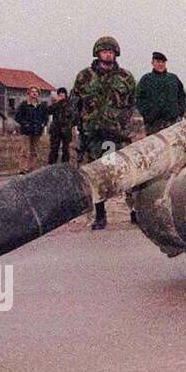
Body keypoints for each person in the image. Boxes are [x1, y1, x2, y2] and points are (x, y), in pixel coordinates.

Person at [71, 36, 137, 230]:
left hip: (117, 135)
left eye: (111, 51)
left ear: (115, 54)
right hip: (93, 136)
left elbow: (131, 103)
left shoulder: (125, 77)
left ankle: (135, 211)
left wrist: (122, 123)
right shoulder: (84, 76)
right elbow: (75, 103)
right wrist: (79, 126)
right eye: (104, 51)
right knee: (96, 176)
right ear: (97, 53)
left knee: (126, 173)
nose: (108, 54)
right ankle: (100, 215)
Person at [135, 51, 186, 134]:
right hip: (153, 124)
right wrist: (147, 114)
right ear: (152, 63)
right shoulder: (146, 79)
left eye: (163, 62)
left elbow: (181, 96)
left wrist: (180, 112)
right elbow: (139, 99)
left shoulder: (173, 78)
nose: (161, 64)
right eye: (158, 62)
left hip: (172, 122)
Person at [13, 86, 49, 173]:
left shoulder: (42, 106)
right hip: (26, 131)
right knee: (25, 150)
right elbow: (17, 117)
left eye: (36, 92)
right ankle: (22, 169)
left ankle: (31, 169)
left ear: (38, 94)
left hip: (37, 131)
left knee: (35, 151)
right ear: (28, 93)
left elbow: (46, 117)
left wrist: (43, 124)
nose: (34, 93)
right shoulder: (24, 105)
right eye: (32, 92)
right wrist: (25, 124)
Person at [47, 87, 76, 164]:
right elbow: (48, 111)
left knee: (66, 149)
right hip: (55, 130)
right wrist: (55, 102)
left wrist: (70, 126)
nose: (61, 95)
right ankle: (51, 165)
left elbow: (74, 117)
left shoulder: (70, 104)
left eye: (62, 93)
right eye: (59, 94)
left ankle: (65, 165)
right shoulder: (56, 104)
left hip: (66, 130)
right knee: (54, 149)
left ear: (66, 94)